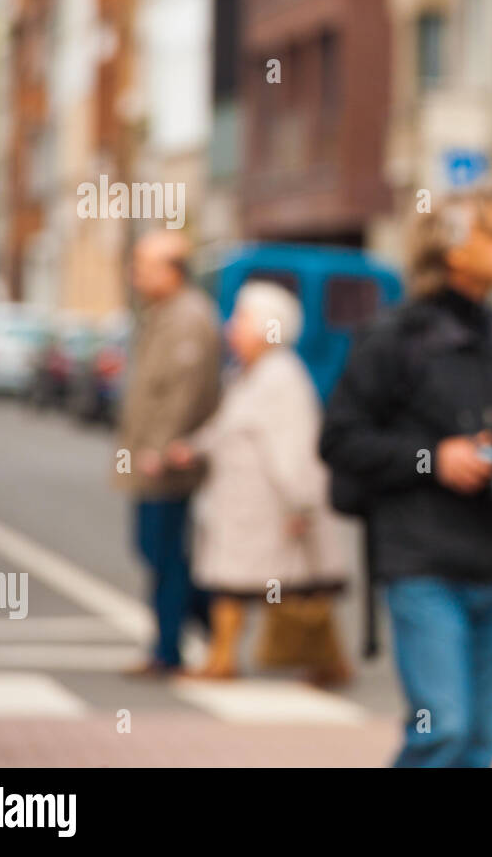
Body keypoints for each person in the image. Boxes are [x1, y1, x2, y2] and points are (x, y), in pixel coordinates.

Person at [320, 189, 492, 767]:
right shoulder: (395, 337)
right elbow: (339, 439)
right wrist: (433, 457)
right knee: (441, 730)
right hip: (423, 561)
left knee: (479, 742)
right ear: (452, 252)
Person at [166, 281, 351, 684]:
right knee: (270, 584)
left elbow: (295, 449)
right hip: (242, 510)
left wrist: (300, 505)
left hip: (267, 510)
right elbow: (227, 428)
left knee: (278, 586)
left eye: (241, 320)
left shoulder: (280, 378)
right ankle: (232, 657)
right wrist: (193, 449)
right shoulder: (250, 374)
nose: (231, 328)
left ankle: (231, 658)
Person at [117, 229, 221, 676]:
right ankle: (205, 626)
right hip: (151, 456)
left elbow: (183, 392)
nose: (134, 276)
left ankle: (174, 644)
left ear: (170, 271)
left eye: (142, 267)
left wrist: (160, 447)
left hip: (168, 460)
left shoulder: (188, 317)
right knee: (155, 549)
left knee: (163, 551)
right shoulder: (163, 313)